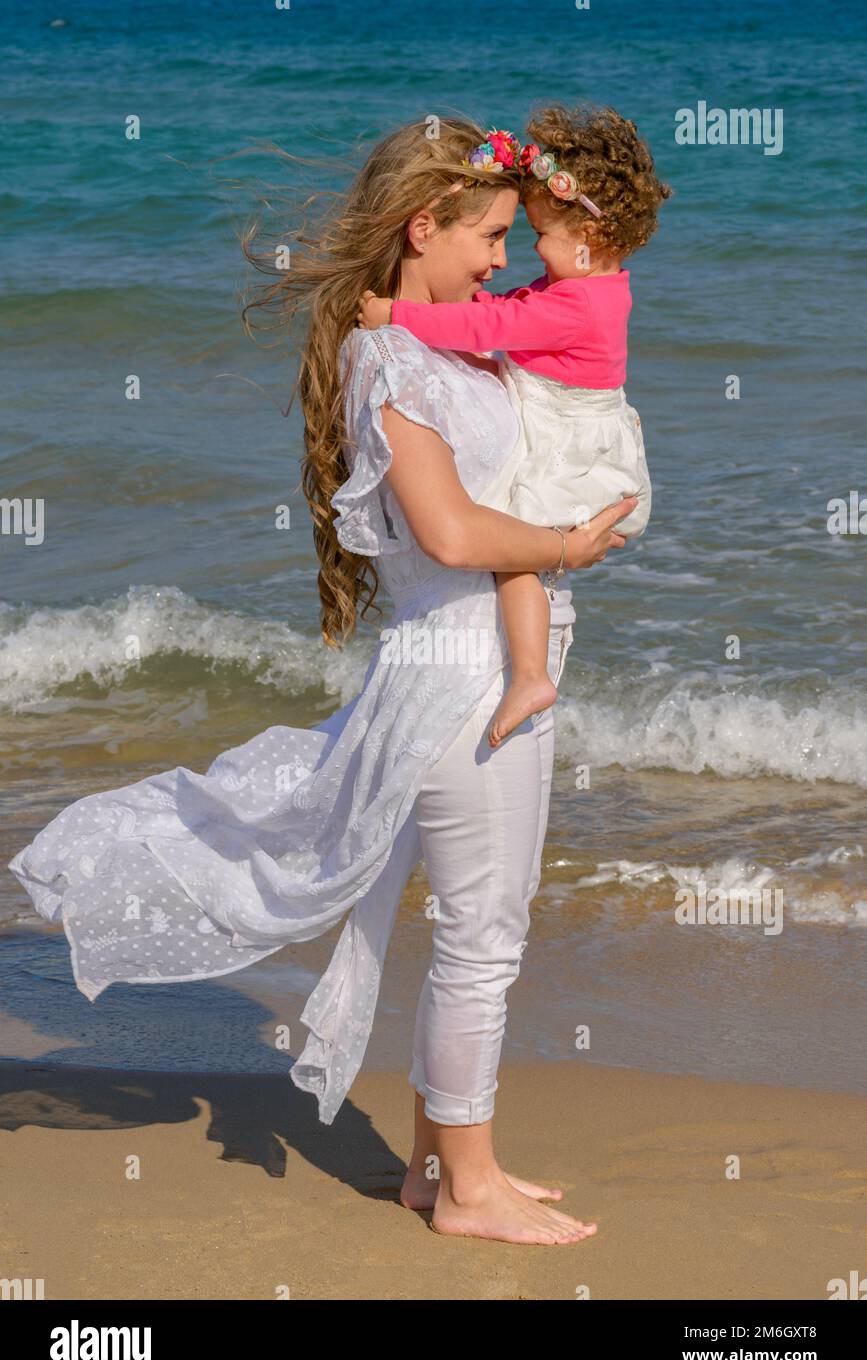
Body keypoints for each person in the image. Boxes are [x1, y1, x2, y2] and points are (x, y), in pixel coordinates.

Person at [7, 117, 636, 1245]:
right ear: (422, 226)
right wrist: (567, 549)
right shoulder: (393, 360)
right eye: (490, 236)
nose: (503, 260)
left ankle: (441, 1167)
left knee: (473, 932)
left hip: (467, 667)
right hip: (461, 681)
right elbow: (446, 533)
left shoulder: (433, 345)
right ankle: (470, 1192)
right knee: (483, 938)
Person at [359, 105, 671, 748]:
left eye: (537, 236)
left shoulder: (576, 306)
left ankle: (529, 673)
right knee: (518, 542)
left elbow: (491, 326)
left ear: (592, 238)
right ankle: (532, 670)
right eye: (503, 236)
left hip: (566, 446)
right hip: (577, 435)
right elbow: (506, 312)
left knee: (517, 547)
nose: (524, 254)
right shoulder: (595, 289)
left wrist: (397, 314)